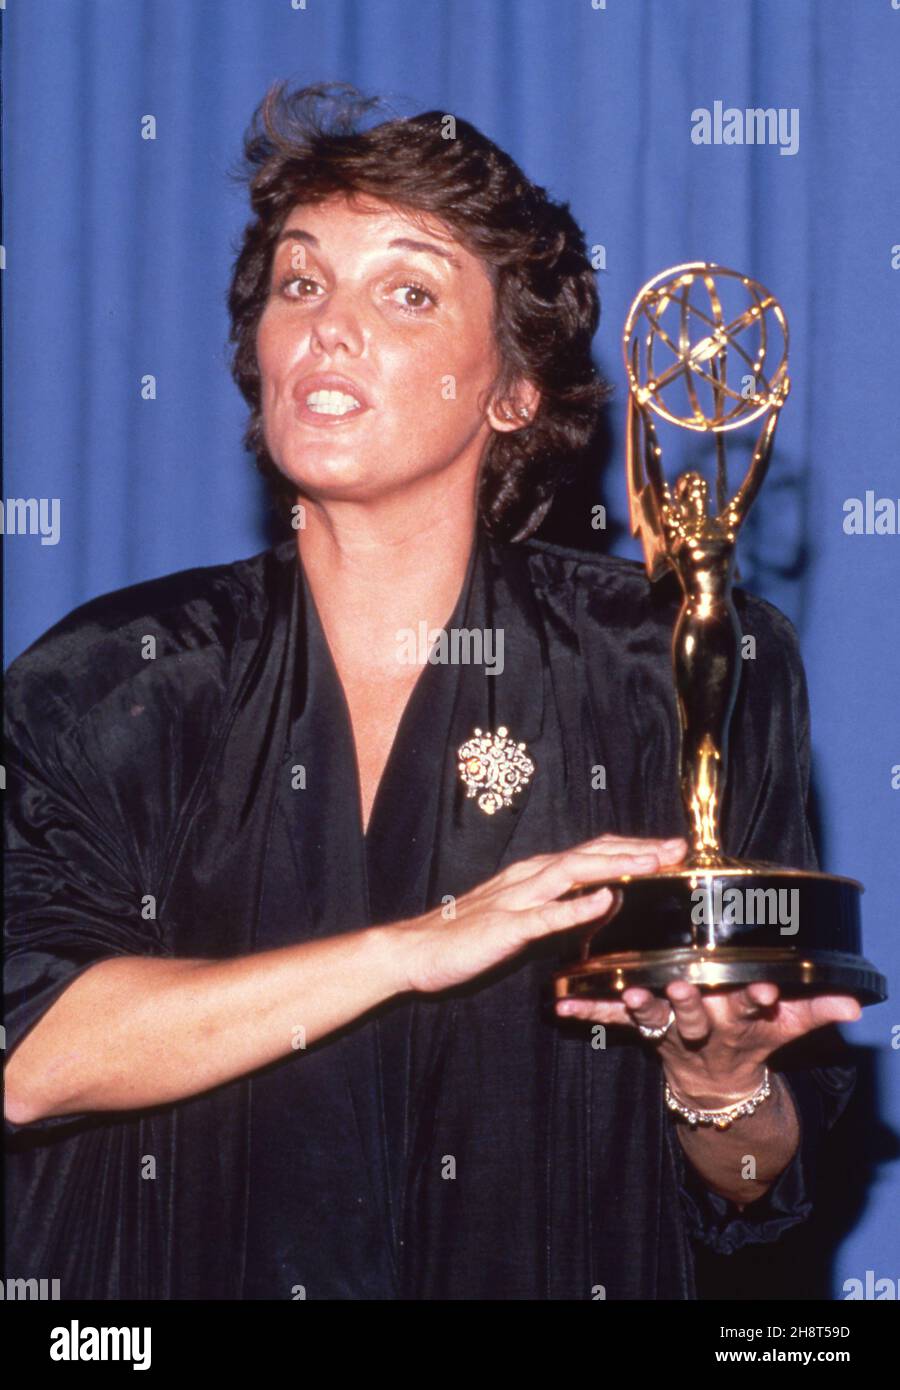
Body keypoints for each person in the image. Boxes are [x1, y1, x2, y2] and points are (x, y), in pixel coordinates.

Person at [3, 83, 859, 1301]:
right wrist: (418, 947)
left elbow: (759, 1183)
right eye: (302, 283)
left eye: (407, 292)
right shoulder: (110, 677)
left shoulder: (671, 668)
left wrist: (720, 1087)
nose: (328, 329)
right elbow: (27, 1055)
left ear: (513, 389)